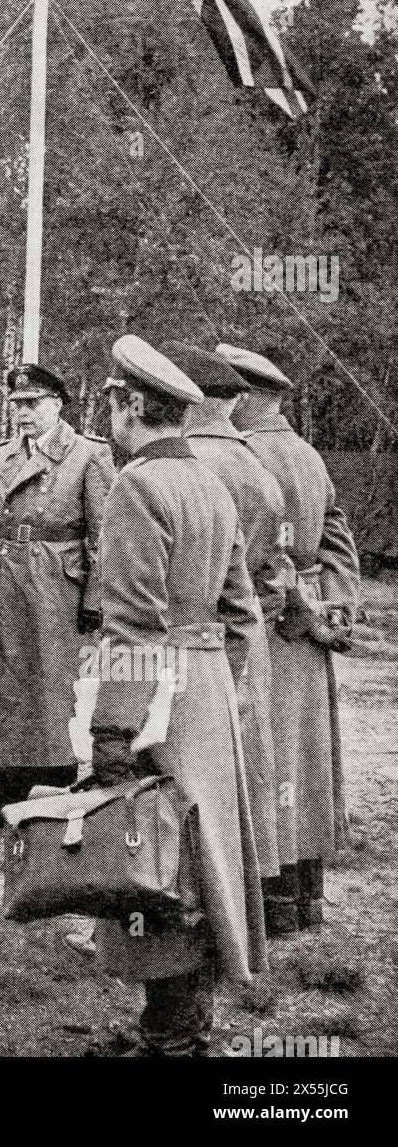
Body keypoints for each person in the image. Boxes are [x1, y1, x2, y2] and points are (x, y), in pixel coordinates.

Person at [90, 335, 266, 1056]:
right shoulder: (212, 483)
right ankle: (184, 1026)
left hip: (157, 695)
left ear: (132, 405)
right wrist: (221, 690)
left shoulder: (137, 486)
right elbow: (243, 614)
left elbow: (132, 624)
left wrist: (113, 728)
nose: (109, 420)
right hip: (207, 692)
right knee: (202, 860)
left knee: (156, 857)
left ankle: (169, 1037)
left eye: (112, 404)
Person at [217, 343, 360, 934]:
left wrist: (291, 604)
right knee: (306, 761)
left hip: (264, 624)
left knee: (267, 760)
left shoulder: (243, 457)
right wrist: (331, 609)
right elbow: (338, 543)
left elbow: (256, 556)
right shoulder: (307, 455)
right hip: (306, 633)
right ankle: (306, 900)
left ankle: (273, 906)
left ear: (246, 397)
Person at [158, 342, 285, 894]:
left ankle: (173, 898)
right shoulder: (258, 467)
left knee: (175, 782)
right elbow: (271, 572)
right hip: (240, 636)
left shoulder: (178, 465)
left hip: (181, 640)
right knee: (237, 779)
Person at [0, 364, 115, 826]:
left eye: (32, 404)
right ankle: (7, 796)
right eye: (17, 405)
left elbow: (104, 537)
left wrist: (95, 599)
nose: (23, 414)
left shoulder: (88, 456)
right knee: (7, 689)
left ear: (57, 404)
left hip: (59, 587)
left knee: (55, 691)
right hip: (9, 580)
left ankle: (54, 798)